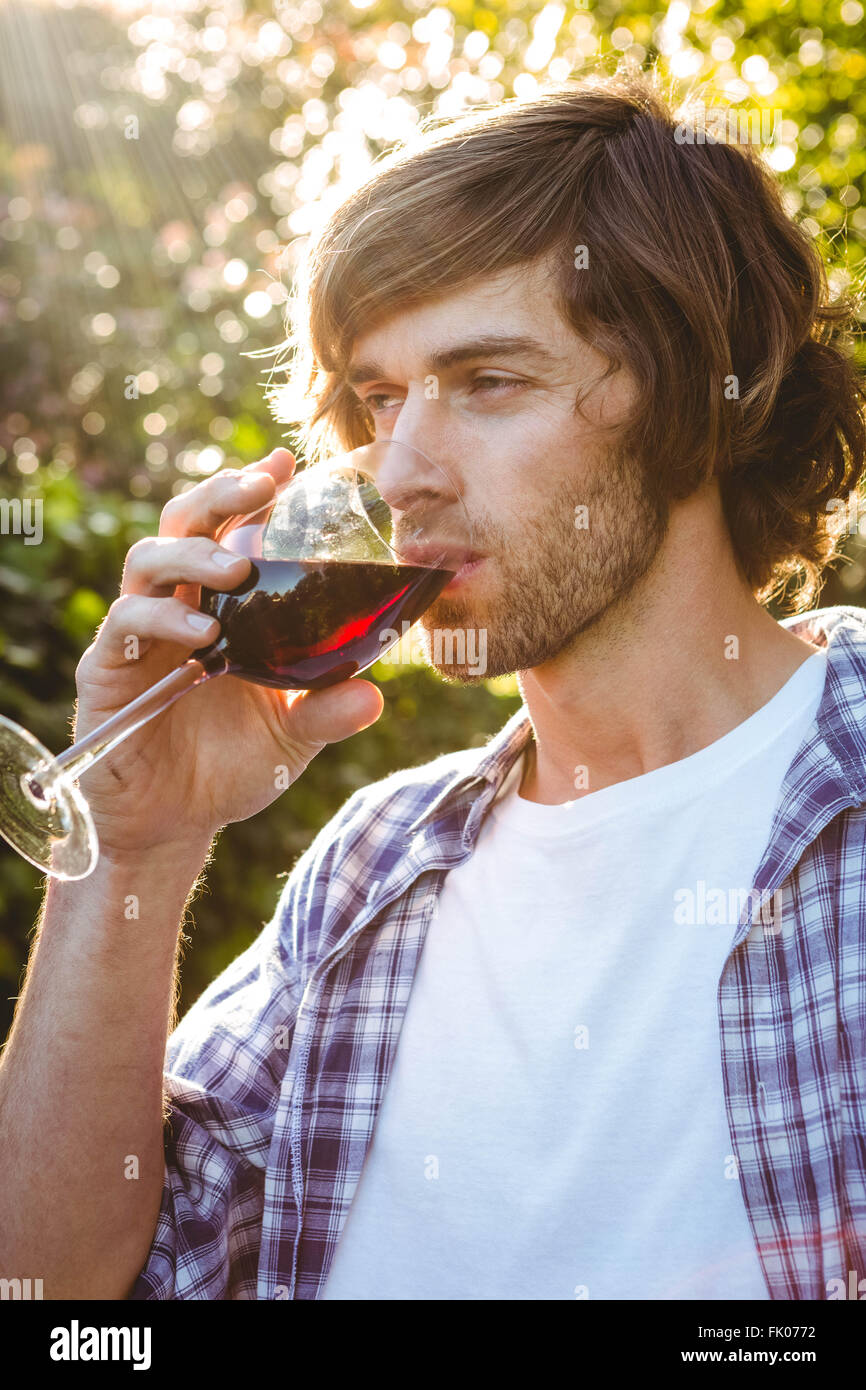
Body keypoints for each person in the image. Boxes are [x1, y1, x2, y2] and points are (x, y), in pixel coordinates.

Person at [1, 63, 865, 1302]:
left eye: (487, 382)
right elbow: (46, 1293)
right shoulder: (371, 870)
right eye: (376, 397)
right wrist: (137, 848)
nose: (397, 469)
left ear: (691, 388)